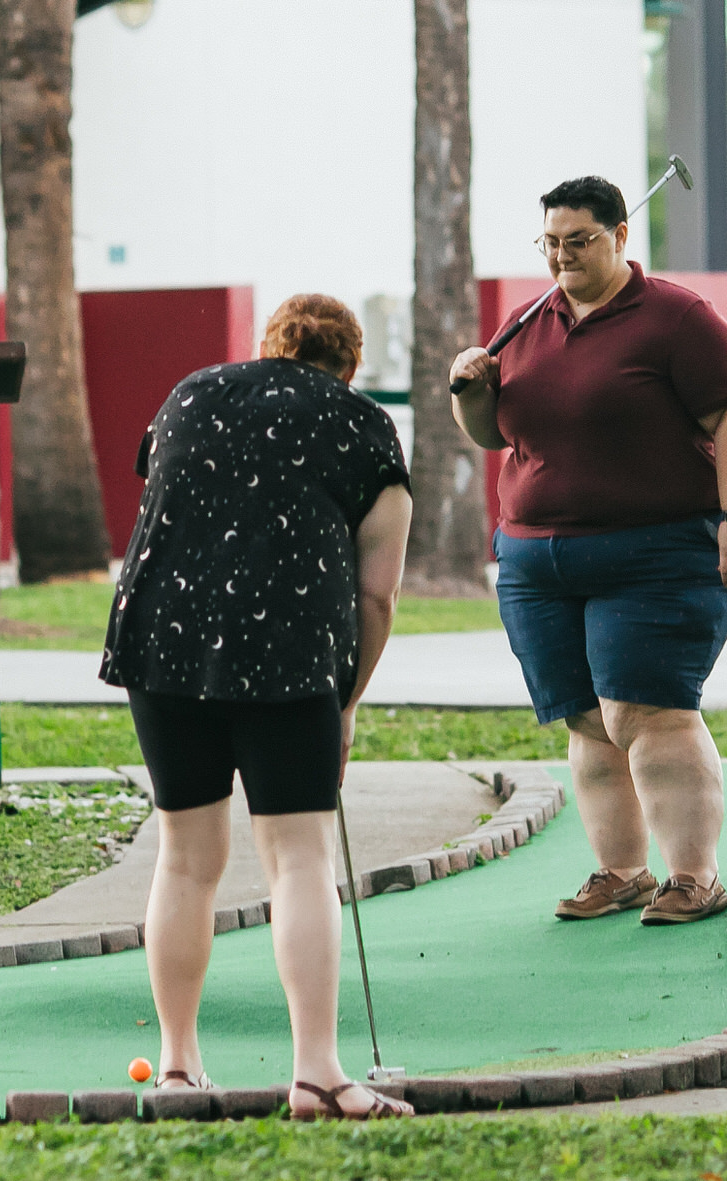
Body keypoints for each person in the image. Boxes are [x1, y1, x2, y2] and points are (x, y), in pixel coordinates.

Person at [100, 294, 416, 1121]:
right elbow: (377, 593)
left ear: (267, 345)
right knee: (300, 859)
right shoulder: (362, 424)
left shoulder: (189, 392)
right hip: (287, 648)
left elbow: (167, 501)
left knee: (184, 857)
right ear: (349, 365)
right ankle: (316, 1073)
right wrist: (346, 701)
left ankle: (177, 1065)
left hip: (162, 644)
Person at [449, 175, 727, 926]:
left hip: (657, 553)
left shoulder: (679, 319)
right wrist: (471, 391)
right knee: (588, 719)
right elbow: (496, 435)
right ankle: (621, 872)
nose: (562, 256)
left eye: (579, 241)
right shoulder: (528, 322)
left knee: (650, 712)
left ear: (621, 235)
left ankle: (694, 876)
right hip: (537, 561)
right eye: (550, 243)